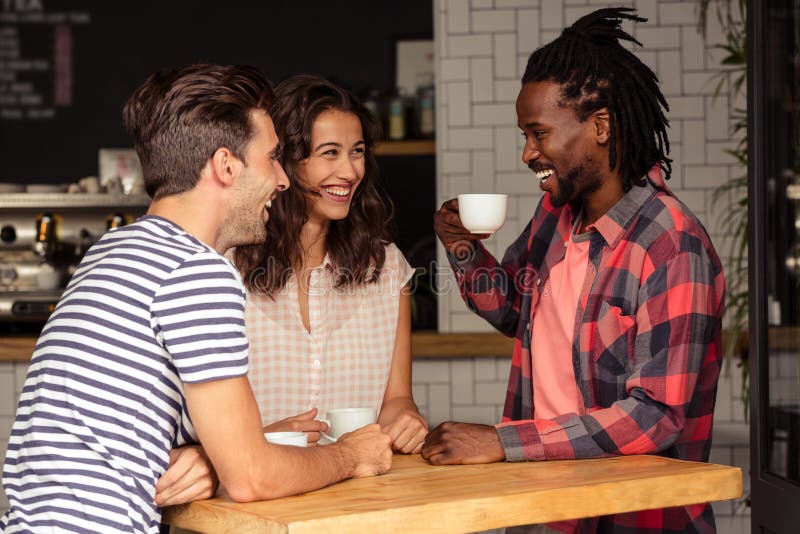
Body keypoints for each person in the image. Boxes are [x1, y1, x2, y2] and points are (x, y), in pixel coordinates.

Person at [0, 64, 392, 534]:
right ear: (226, 166)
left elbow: (136, 435)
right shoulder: (198, 271)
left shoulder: (113, 248)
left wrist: (226, 454)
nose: (283, 180)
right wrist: (351, 454)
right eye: (271, 158)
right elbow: (252, 478)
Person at [424, 8, 725, 533]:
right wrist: (461, 246)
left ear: (601, 126)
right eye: (525, 135)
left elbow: (657, 415)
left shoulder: (671, 245)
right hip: (549, 511)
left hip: (635, 521)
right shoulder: (558, 217)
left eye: (538, 133)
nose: (527, 153)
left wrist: (502, 440)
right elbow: (511, 306)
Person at [233, 74, 428, 453]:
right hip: (259, 494)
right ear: (283, 161)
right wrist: (259, 441)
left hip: (358, 491)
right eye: (330, 153)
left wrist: (405, 420)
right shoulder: (226, 269)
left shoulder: (387, 267)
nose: (351, 171)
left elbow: (397, 401)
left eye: (357, 152)